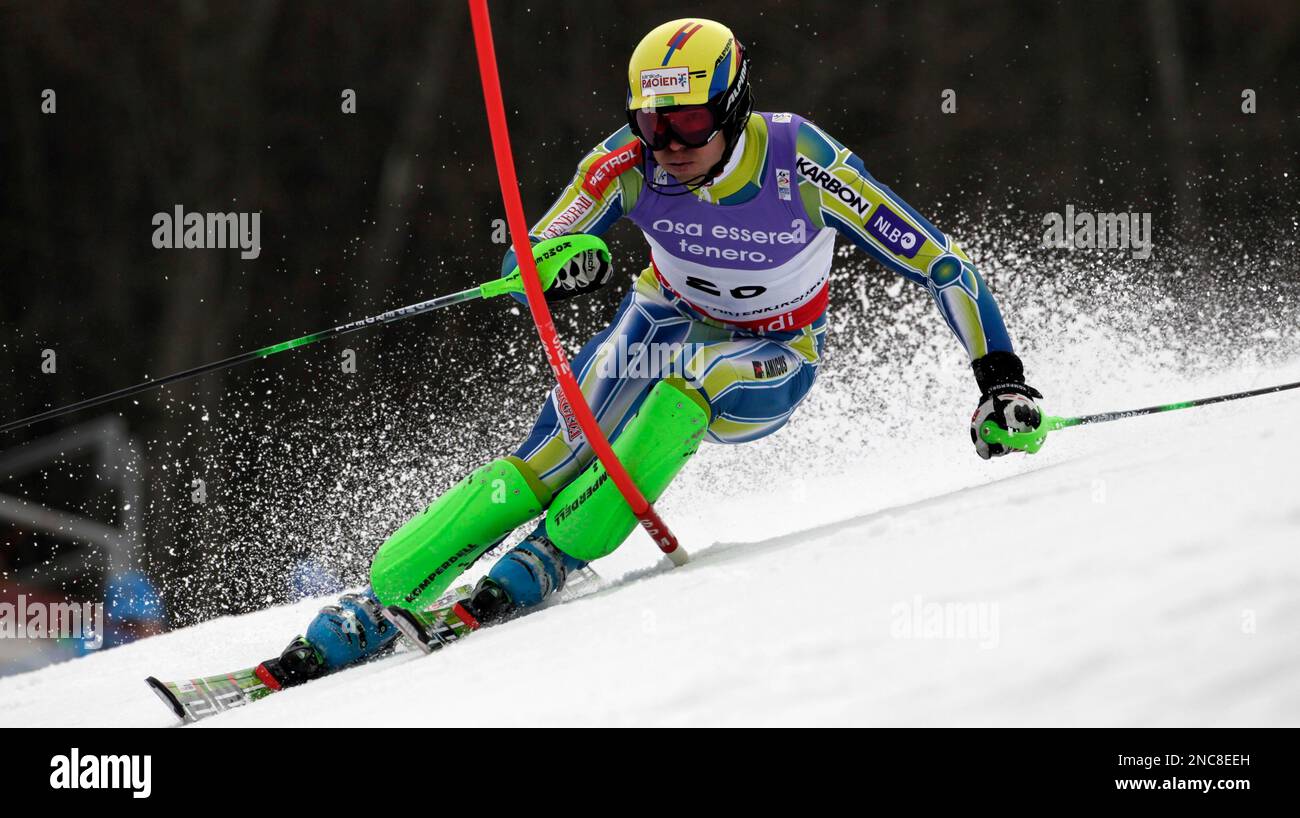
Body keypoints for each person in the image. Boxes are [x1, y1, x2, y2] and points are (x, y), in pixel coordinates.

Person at [259, 18, 1044, 686]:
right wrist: (564, 264)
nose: (667, 145)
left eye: (690, 125)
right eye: (651, 123)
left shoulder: (804, 162)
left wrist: (999, 382)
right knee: (553, 460)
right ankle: (384, 592)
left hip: (772, 351)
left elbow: (942, 263)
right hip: (660, 320)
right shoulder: (626, 159)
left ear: (732, 109)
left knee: (683, 393)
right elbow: (526, 261)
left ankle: (551, 557)